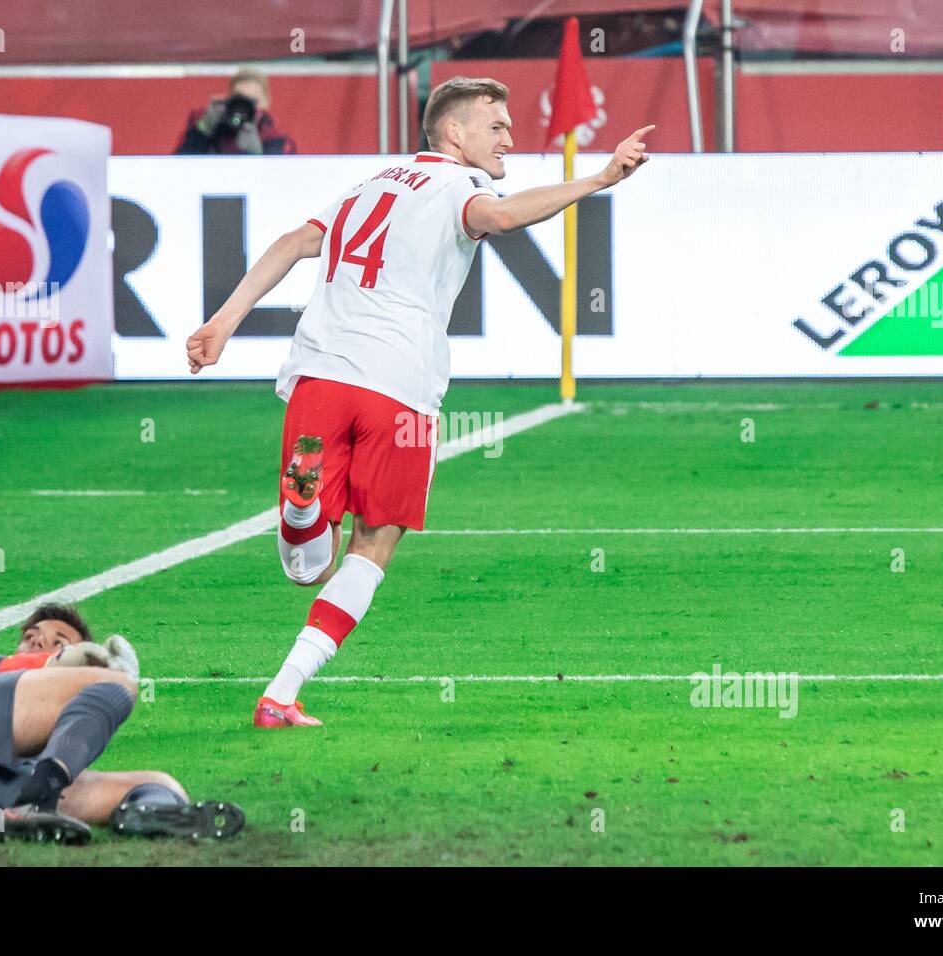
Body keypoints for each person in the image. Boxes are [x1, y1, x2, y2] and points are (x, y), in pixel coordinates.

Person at [185, 76, 652, 728]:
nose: (510, 138)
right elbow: (505, 215)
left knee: (304, 566)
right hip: (399, 391)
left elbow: (293, 244)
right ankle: (282, 690)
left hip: (320, 374)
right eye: (497, 126)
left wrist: (223, 323)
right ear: (455, 134)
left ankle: (301, 516)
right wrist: (599, 179)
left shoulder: (369, 185)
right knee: (372, 546)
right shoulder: (461, 188)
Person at [0, 603, 243, 844]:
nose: (39, 643)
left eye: (59, 642)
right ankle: (40, 798)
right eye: (31, 638)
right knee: (120, 683)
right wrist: (55, 664)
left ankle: (150, 815)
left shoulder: (63, 737)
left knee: (159, 782)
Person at [175, 68, 297, 155]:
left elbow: (280, 183)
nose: (246, 107)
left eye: (253, 101)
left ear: (266, 103)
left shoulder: (275, 139)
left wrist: (258, 155)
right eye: (240, 99)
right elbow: (177, 171)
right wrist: (203, 130)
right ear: (229, 99)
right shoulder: (210, 126)